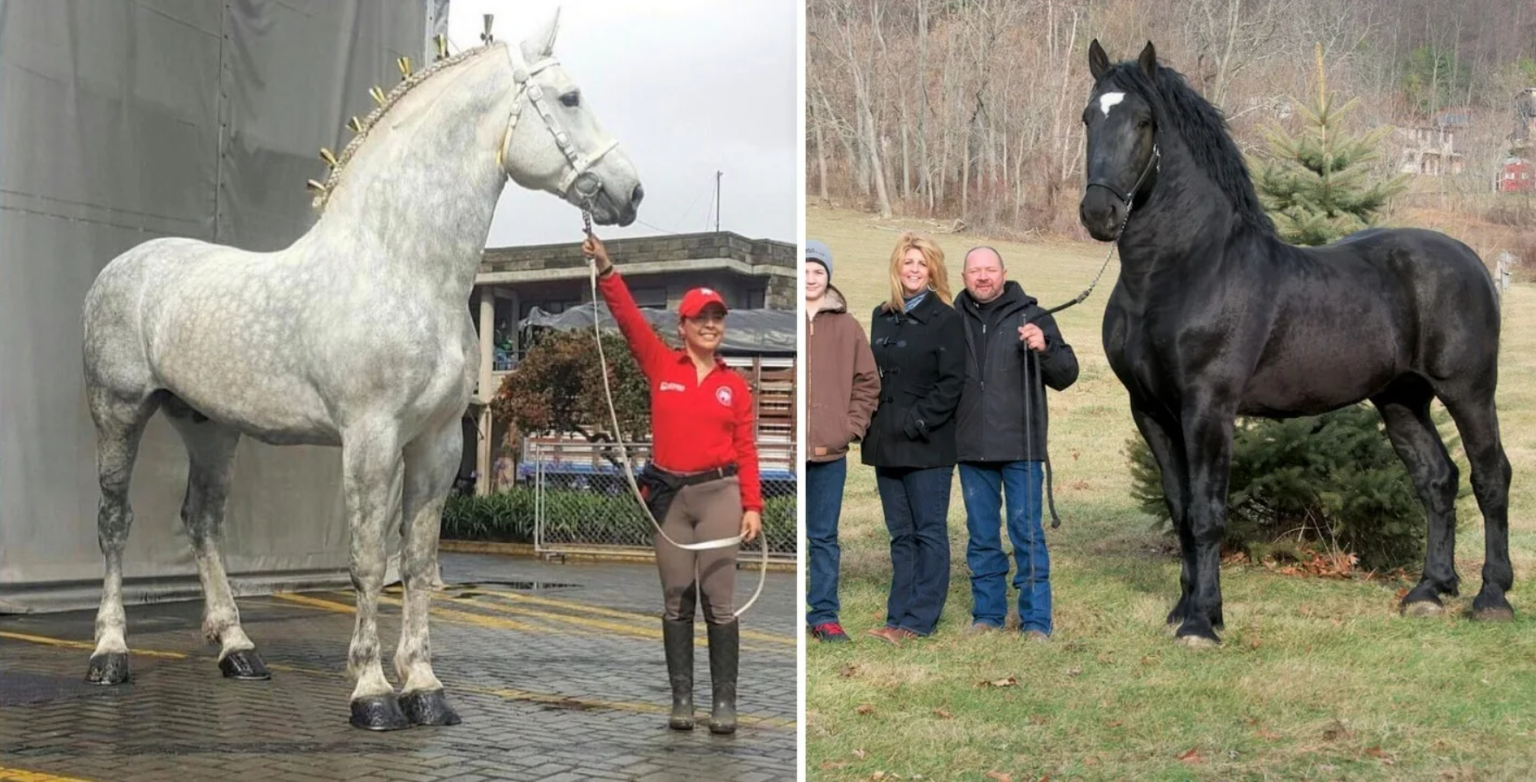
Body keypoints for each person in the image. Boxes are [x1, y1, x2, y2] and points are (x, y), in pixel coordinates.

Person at [583, 233, 762, 735]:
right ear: (682, 325)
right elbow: (627, 318)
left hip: (720, 496)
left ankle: (724, 704)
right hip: (670, 499)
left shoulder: (734, 384)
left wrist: (753, 505)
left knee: (719, 602)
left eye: (717, 318)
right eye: (701, 317)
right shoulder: (661, 364)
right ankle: (682, 701)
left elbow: (747, 450)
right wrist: (606, 267)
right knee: (676, 600)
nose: (710, 325)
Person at [953, 246, 1078, 640]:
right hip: (971, 448)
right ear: (964, 277)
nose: (983, 277)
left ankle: (1036, 620)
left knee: (1027, 533)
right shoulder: (951, 320)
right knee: (982, 536)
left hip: (1022, 448)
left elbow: (1067, 374)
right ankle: (987, 615)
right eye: (975, 271)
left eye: (990, 270)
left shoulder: (1033, 316)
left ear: (1004, 273)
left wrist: (1046, 347)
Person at [860, 232, 965, 645]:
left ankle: (920, 619)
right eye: (908, 263)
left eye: (922, 264)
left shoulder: (946, 319)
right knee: (900, 533)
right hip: (886, 442)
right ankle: (896, 615)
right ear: (897, 268)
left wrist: (918, 421)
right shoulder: (882, 315)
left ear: (933, 270)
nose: (914, 270)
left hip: (927, 444)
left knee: (928, 530)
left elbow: (952, 382)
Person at [805, 240, 880, 643]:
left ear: (828, 276)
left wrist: (849, 427)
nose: (811, 278)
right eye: (804, 270)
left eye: (818, 271)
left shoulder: (847, 326)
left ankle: (823, 614)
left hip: (829, 452)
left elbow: (867, 382)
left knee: (823, 537)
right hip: (786, 454)